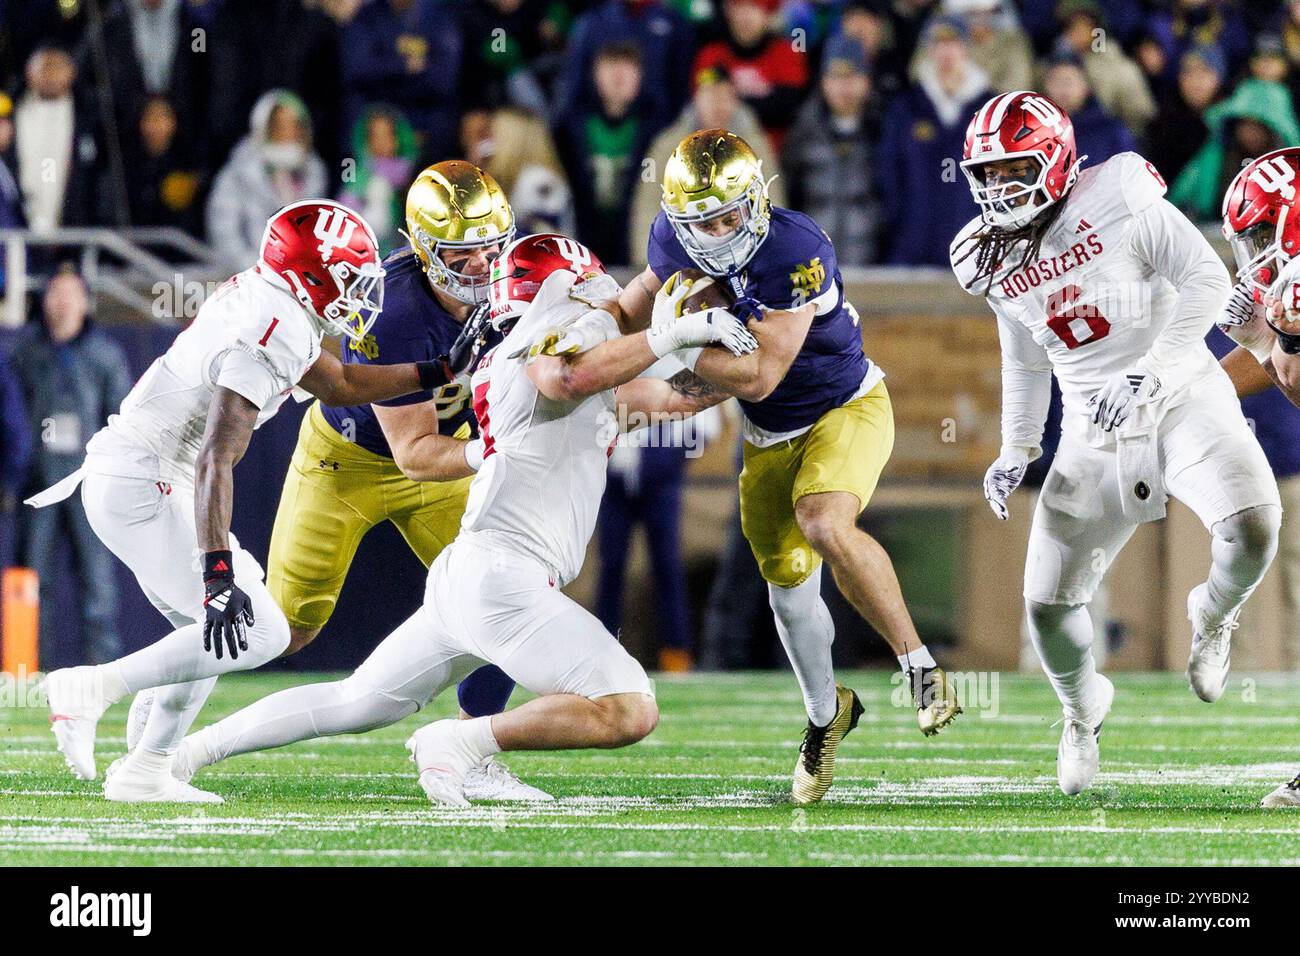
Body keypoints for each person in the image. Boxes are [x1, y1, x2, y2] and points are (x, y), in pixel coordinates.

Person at [165, 233, 763, 805]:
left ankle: (185, 753)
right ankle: (464, 741)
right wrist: (673, 332)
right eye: (582, 291)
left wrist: (754, 360)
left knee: (355, 702)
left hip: (474, 575)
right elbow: (570, 373)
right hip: (505, 581)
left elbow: (674, 396)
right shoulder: (537, 364)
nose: (599, 300)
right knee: (630, 705)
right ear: (547, 302)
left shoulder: (552, 365)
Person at [34, 200, 464, 803]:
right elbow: (216, 457)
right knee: (255, 627)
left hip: (143, 473)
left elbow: (338, 383)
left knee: (216, 631)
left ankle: (146, 769)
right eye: (352, 279)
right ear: (312, 276)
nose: (364, 295)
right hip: (147, 480)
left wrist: (436, 369)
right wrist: (215, 573)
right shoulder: (277, 326)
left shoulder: (273, 301)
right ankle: (93, 688)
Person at [608, 129, 964, 805]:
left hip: (843, 405)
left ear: (756, 199)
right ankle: (828, 715)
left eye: (727, 214)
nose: (714, 232)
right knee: (788, 593)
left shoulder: (796, 248)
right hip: (766, 436)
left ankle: (920, 669)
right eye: (699, 221)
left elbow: (762, 372)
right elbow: (628, 316)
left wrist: (673, 341)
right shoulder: (671, 242)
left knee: (824, 522)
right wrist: (579, 354)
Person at [952, 91, 1280, 797]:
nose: (997, 190)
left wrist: (1149, 370)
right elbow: (1024, 356)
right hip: (1092, 428)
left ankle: (1212, 615)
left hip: (1182, 392)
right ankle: (1080, 710)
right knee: (1048, 605)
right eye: (987, 174)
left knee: (1255, 526)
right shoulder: (988, 256)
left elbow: (1207, 279)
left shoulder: (1121, 196)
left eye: (1013, 170)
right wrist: (1015, 448)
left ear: (1055, 160)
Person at [255, 161, 545, 802]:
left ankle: (475, 749)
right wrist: (503, 452)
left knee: (508, 586)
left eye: (491, 248)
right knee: (283, 629)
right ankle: (170, 698)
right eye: (463, 254)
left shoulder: (517, 278)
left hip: (453, 453)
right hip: (350, 463)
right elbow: (415, 453)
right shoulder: (394, 308)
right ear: (425, 249)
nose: (482, 265)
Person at [14, 269, 132, 668]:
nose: (60, 302)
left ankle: (104, 668)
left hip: (88, 482)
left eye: (69, 294)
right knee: (32, 578)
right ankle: (28, 665)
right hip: (39, 482)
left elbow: (122, 418)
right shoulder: (25, 354)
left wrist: (111, 474)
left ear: (85, 303)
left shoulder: (104, 355)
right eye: (54, 293)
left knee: (97, 580)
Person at [629, 65, 782, 269]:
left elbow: (773, 203)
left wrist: (770, 259)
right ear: (696, 100)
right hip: (685, 260)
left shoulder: (754, 146)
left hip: (745, 257)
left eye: (723, 96)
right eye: (709, 96)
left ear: (735, 100)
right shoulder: (668, 146)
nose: (716, 105)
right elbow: (648, 207)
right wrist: (649, 262)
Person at [877, 14, 991, 266]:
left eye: (953, 42)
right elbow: (890, 173)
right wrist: (900, 224)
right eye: (938, 43)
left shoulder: (990, 108)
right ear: (928, 49)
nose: (945, 51)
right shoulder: (906, 107)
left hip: (976, 250)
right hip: (912, 248)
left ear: (966, 47)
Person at [782, 33, 882, 266]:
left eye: (851, 76)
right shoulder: (803, 131)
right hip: (814, 269)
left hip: (875, 267)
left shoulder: (884, 129)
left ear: (866, 81)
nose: (843, 87)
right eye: (835, 77)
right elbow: (791, 198)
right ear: (823, 82)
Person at [206, 90, 329, 268]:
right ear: (265, 127)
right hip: (250, 276)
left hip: (302, 279)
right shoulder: (239, 171)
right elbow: (223, 230)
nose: (289, 132)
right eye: (280, 125)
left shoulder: (314, 173)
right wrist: (254, 268)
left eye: (295, 125)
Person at [556, 41, 650, 265]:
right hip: (581, 238)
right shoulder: (568, 126)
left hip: (633, 240)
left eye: (627, 68)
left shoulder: (657, 127)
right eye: (610, 67)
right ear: (595, 74)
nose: (618, 77)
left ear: (640, 77)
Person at [1169, 78, 1300, 224]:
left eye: (1258, 126)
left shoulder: (1294, 167)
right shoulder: (1215, 157)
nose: (1249, 133)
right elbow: (1181, 198)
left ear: (1274, 131)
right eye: (1244, 125)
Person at [692, 0, 810, 151]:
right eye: (739, 9)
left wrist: (733, 99)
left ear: (768, 15)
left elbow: (789, 108)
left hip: (775, 157)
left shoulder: (788, 54)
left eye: (753, 8)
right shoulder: (711, 55)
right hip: (718, 151)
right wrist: (764, 101)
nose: (745, 17)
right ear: (728, 13)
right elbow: (705, 106)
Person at [337, 105, 419, 253]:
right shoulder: (357, 172)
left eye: (388, 135)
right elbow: (347, 204)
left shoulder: (411, 173)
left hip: (401, 245)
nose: (382, 141)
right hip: (365, 246)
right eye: (375, 136)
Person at [1142, 45, 1226, 187]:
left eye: (1204, 72)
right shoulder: (1163, 124)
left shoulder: (1229, 125)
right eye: (1188, 72)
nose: (1195, 80)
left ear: (1219, 78)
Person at [1040, 54, 1135, 166]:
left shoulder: (1111, 130)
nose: (1063, 88)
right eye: (1055, 81)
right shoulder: (1036, 132)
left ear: (1086, 86)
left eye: (1069, 81)